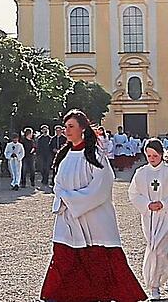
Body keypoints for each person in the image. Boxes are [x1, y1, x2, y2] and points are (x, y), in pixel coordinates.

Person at [39, 110, 145, 302]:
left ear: (83, 129)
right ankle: (58, 295)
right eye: (65, 127)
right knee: (64, 254)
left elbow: (101, 188)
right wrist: (64, 200)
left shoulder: (95, 155)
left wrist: (71, 200)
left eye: (71, 126)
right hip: (68, 215)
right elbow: (58, 184)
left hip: (94, 217)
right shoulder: (64, 154)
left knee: (99, 257)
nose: (67, 130)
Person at [129, 138, 168, 300]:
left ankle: (154, 286)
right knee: (154, 246)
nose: (152, 158)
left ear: (161, 154)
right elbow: (133, 193)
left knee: (158, 248)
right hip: (148, 216)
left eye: (155, 155)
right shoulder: (141, 173)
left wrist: (164, 204)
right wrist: (147, 204)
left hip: (166, 215)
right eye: (149, 155)